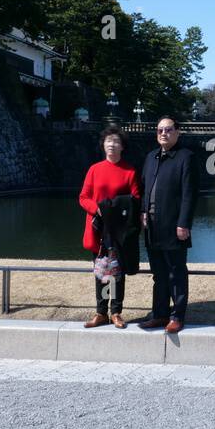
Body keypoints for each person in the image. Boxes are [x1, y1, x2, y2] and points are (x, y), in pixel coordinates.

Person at [138, 116, 198, 334]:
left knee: (176, 273)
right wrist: (143, 211)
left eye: (168, 129)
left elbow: (189, 195)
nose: (163, 133)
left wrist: (184, 223)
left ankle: (177, 316)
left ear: (177, 132)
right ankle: (160, 314)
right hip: (152, 226)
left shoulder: (185, 157)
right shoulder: (151, 157)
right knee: (159, 275)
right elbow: (144, 188)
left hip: (174, 227)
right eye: (160, 130)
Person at [79, 125, 141, 329]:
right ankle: (100, 312)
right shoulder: (94, 169)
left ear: (122, 146)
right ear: (103, 145)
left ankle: (116, 312)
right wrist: (98, 209)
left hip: (118, 231)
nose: (112, 145)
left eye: (116, 141)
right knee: (101, 271)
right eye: (108, 141)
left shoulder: (130, 171)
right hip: (98, 228)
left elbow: (135, 199)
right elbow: (83, 197)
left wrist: (113, 208)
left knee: (117, 272)